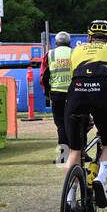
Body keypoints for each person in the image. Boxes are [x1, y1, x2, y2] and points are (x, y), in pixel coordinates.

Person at [63, 20, 107, 210]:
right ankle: (100, 178)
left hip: (76, 93)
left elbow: (74, 78)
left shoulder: (76, 50)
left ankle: (69, 200)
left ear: (89, 37)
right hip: (102, 92)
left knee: (74, 151)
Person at [41, 31, 73, 161]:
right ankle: (81, 153)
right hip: (74, 93)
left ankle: (63, 156)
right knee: (78, 122)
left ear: (56, 42)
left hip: (57, 94)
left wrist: (47, 92)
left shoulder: (50, 54)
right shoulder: (75, 53)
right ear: (69, 42)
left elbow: (43, 76)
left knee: (61, 125)